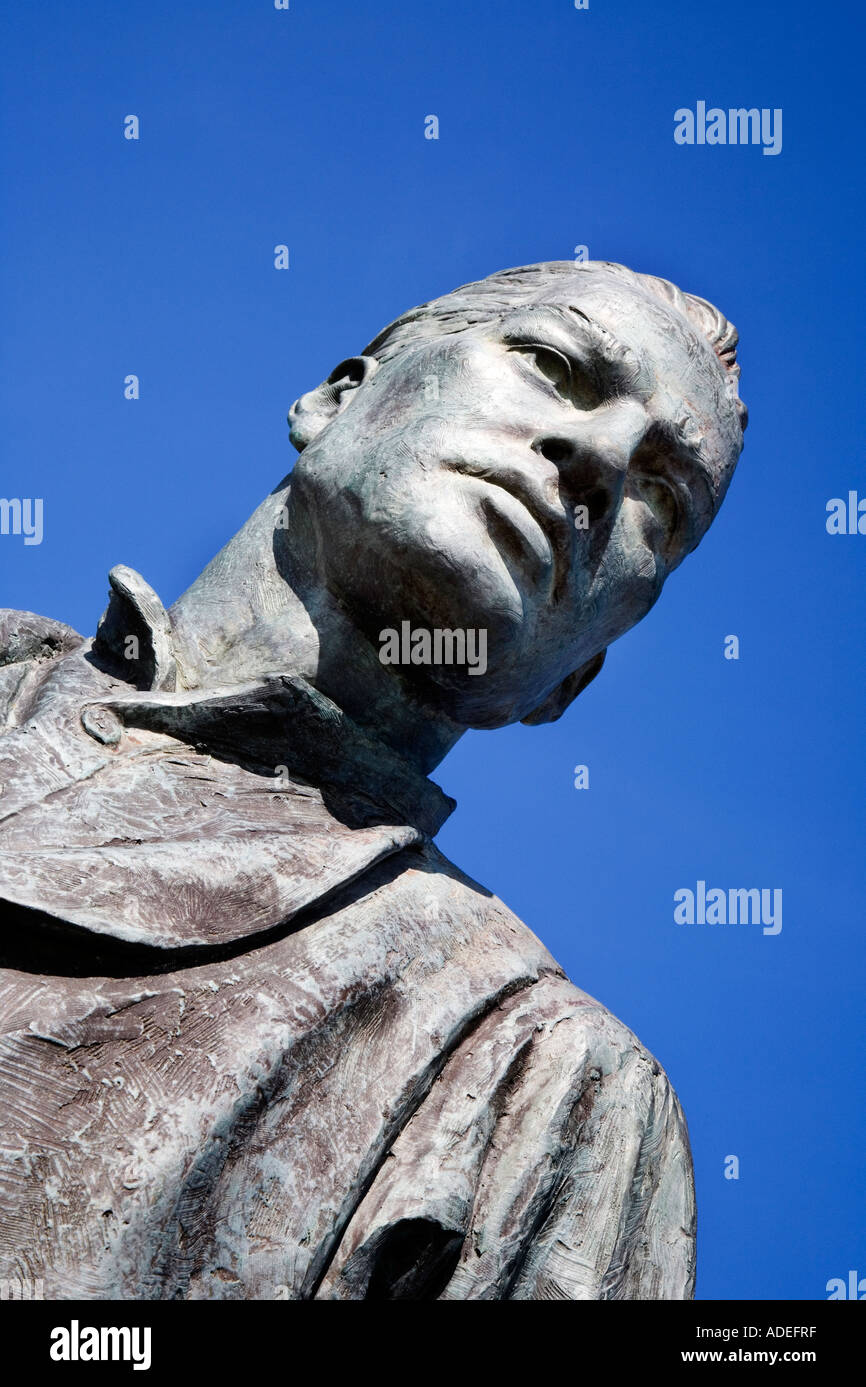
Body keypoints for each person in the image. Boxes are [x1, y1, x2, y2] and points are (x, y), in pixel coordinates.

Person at [0, 261, 746, 1299]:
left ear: (571, 679)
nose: (598, 462)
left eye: (660, 501)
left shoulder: (536, 1084)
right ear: (337, 396)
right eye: (549, 363)